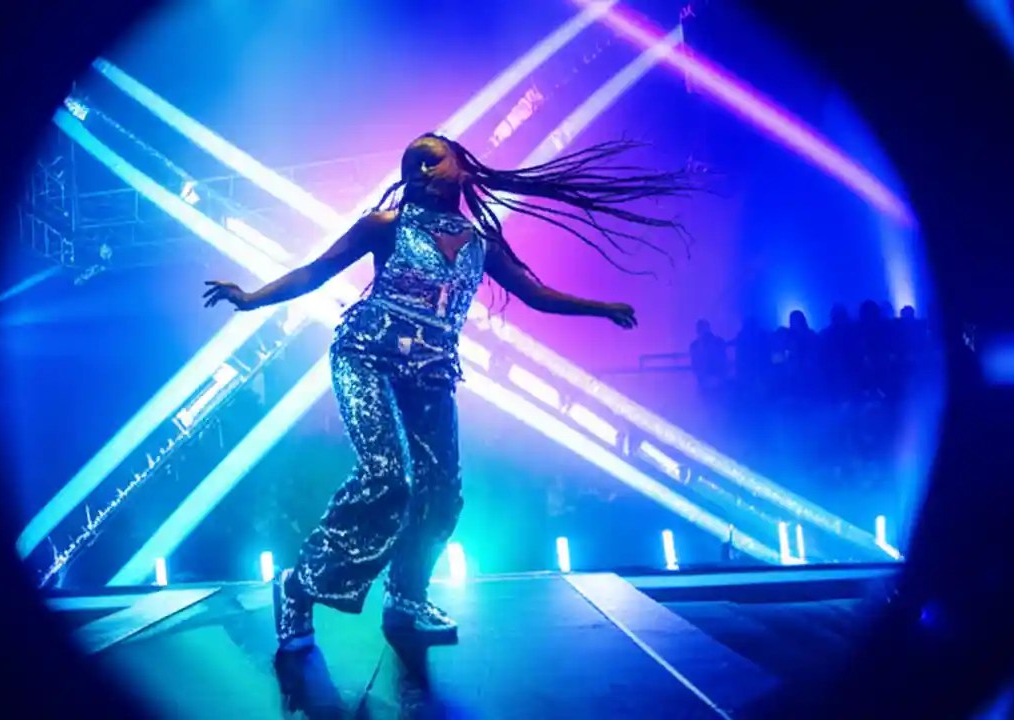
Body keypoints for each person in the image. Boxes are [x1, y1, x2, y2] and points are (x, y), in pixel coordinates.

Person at [203, 133, 698, 652]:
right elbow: (314, 271)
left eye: (430, 159)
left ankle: (406, 596)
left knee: (442, 495)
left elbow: (537, 294)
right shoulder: (385, 227)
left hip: (433, 373)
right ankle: (299, 586)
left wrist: (601, 307)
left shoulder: (482, 245)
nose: (420, 170)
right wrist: (252, 298)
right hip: (367, 357)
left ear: (462, 164)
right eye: (410, 164)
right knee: (390, 477)